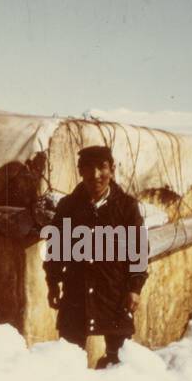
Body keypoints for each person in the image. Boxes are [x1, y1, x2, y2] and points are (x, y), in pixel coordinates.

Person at [43, 146, 148, 368]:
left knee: (120, 358)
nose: (96, 175)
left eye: (102, 167)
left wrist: (134, 288)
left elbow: (138, 250)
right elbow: (55, 250)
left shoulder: (126, 206)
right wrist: (53, 283)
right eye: (88, 168)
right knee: (68, 356)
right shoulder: (69, 206)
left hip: (114, 291)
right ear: (80, 171)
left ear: (112, 169)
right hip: (76, 291)